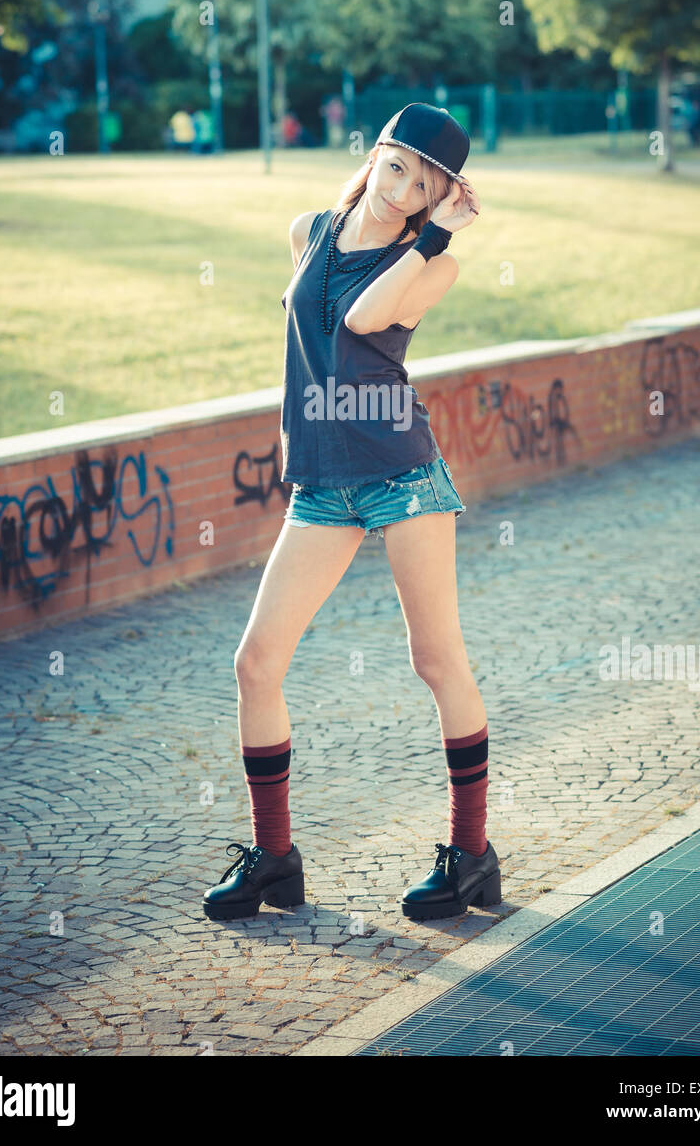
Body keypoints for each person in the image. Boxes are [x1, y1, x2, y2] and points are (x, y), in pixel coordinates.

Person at [202, 103, 501, 923]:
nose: (398, 189)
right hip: (323, 483)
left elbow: (361, 318)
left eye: (422, 186)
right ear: (374, 155)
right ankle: (273, 858)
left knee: (434, 661)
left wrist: (436, 237)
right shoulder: (309, 230)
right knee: (254, 663)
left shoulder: (430, 265)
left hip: (400, 475)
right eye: (395, 165)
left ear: (437, 199)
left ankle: (472, 856)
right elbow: (311, 324)